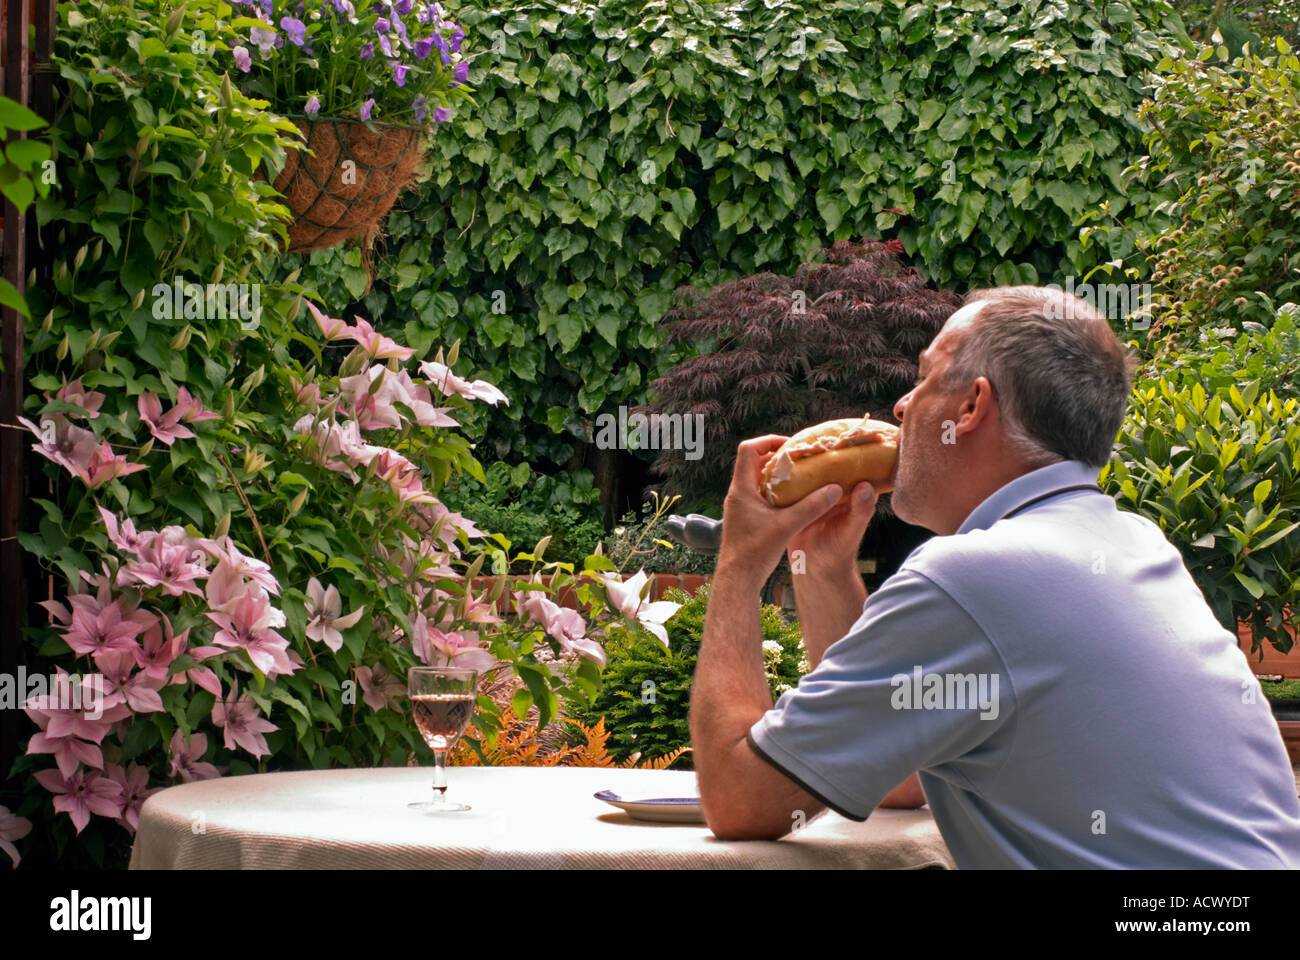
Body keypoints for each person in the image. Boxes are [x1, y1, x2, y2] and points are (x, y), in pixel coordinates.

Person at [688, 285, 1300, 868]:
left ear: (973, 405)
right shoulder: (1131, 540)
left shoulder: (973, 576)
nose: (902, 406)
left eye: (925, 377)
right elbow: (895, 774)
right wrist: (821, 567)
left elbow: (743, 801)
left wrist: (740, 563)